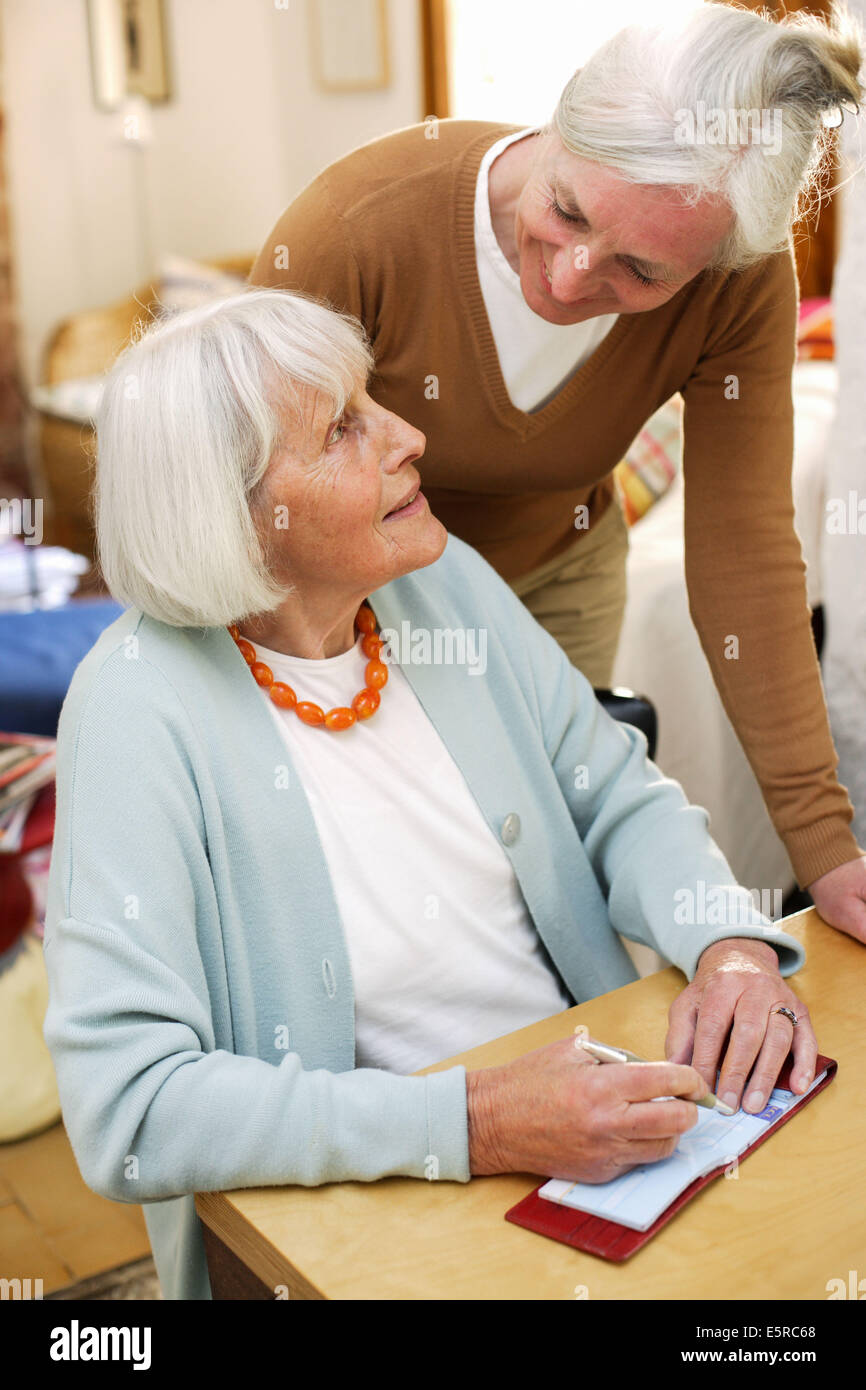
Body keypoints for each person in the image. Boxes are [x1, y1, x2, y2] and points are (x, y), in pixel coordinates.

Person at [44, 289, 815, 1300]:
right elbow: (131, 1110)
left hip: (602, 1142)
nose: (407, 435)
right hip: (375, 1213)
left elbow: (614, 797)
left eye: (375, 400)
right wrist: (477, 1118)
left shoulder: (437, 587)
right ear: (231, 516)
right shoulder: (134, 713)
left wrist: (726, 945)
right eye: (342, 429)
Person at [249, 1, 866, 943]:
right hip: (350, 584)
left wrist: (826, 850)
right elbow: (253, 494)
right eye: (567, 210)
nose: (571, 278)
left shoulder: (740, 282)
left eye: (644, 271)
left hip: (558, 569)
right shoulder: (359, 223)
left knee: (527, 865)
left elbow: (744, 553)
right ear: (559, 121)